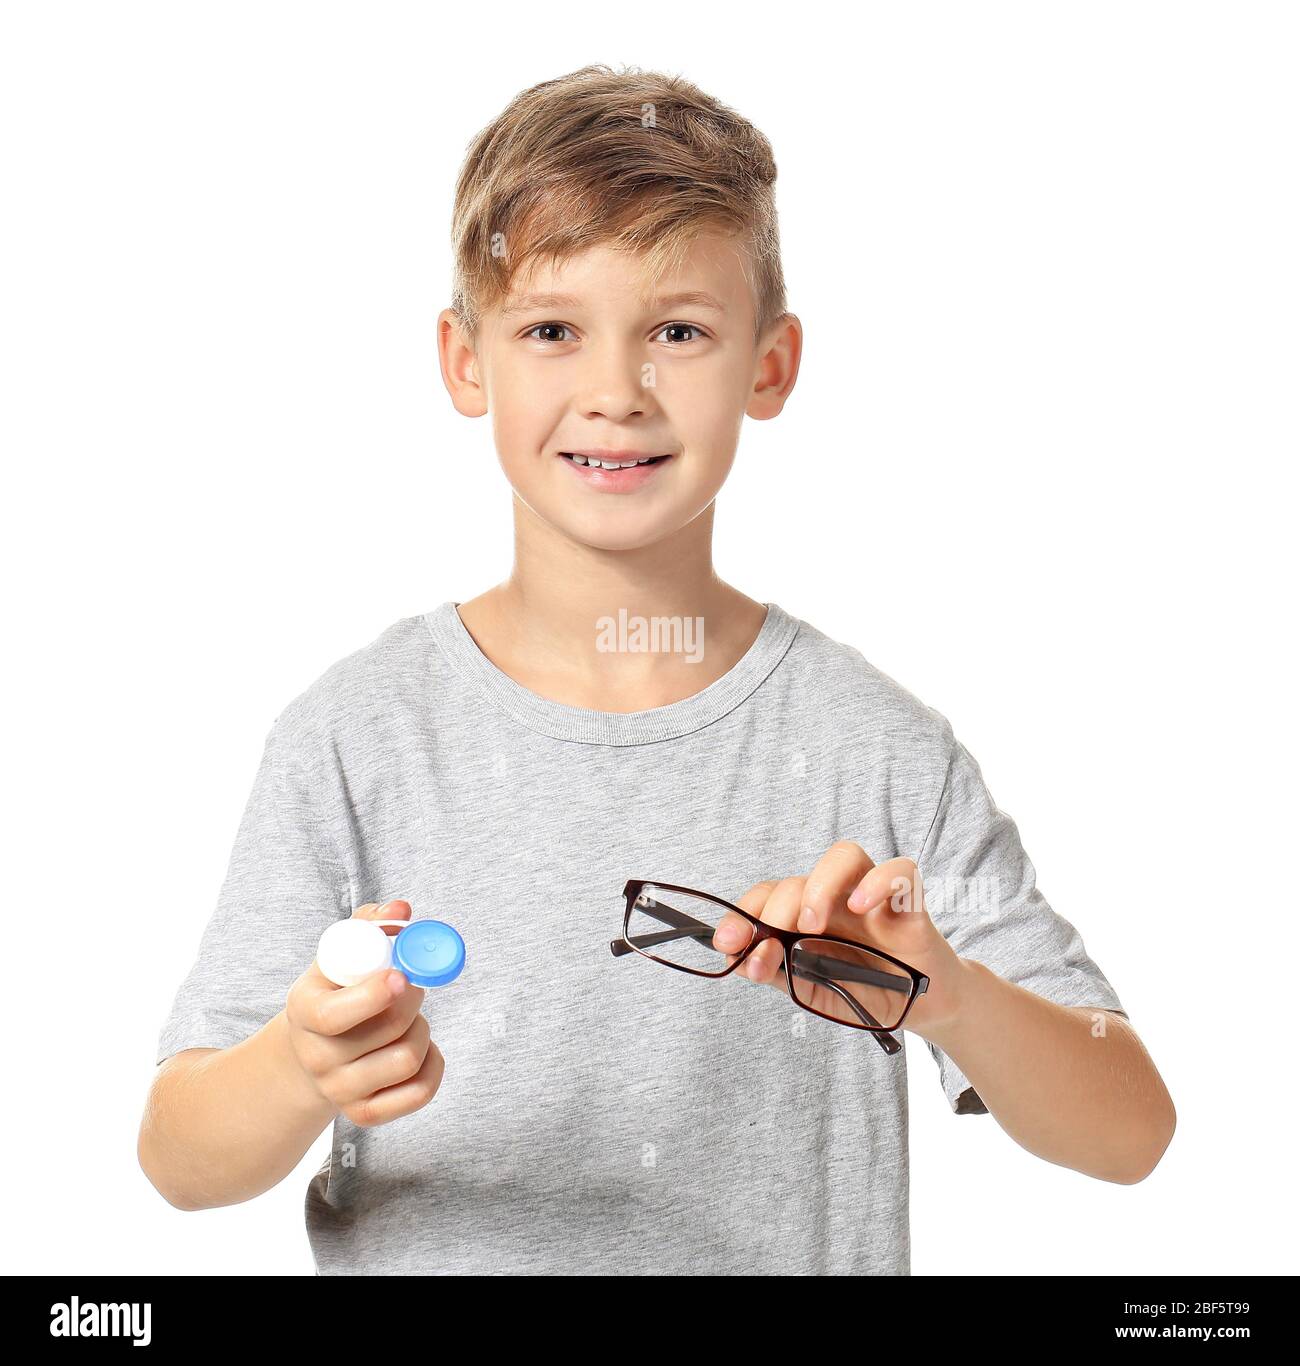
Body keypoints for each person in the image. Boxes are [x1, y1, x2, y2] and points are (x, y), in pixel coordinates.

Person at [138, 62, 1175, 1275]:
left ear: (769, 365)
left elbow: (1130, 1131)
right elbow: (180, 1156)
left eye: (677, 331)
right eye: (550, 330)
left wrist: (941, 993)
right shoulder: (354, 737)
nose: (614, 393)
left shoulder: (879, 749)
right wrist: (295, 1065)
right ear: (465, 360)